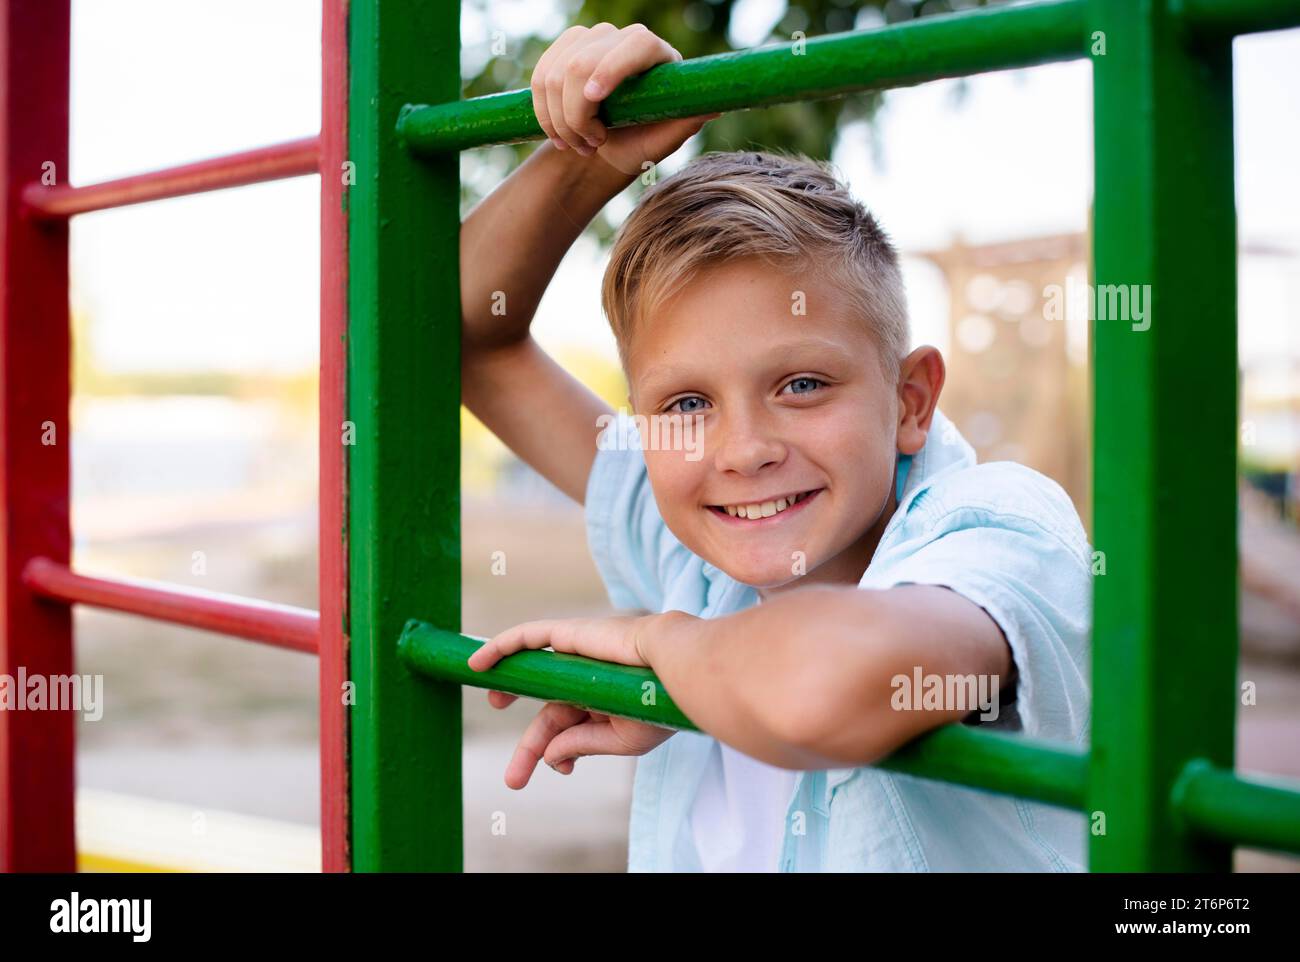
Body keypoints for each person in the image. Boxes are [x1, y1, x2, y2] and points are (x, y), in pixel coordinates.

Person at [462, 21, 1091, 872]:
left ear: (910, 402)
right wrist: (599, 150)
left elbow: (815, 693)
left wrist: (661, 645)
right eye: (687, 403)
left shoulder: (996, 527)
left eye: (801, 386)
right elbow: (468, 338)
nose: (744, 451)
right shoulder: (699, 539)